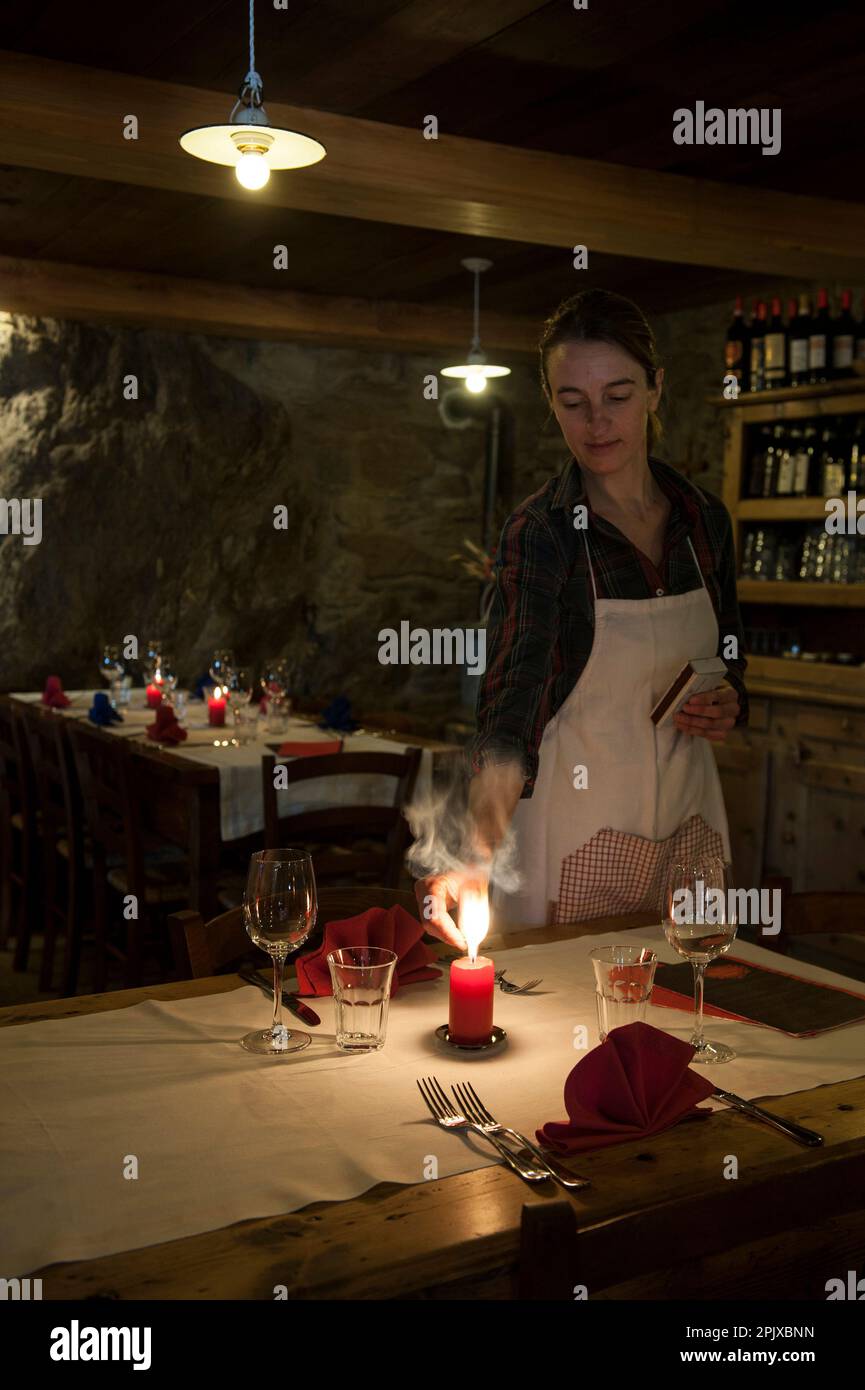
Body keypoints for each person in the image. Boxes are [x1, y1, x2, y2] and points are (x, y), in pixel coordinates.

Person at [417, 288, 748, 949]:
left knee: (687, 1020)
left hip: (687, 833)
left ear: (655, 389)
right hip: (570, 841)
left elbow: (730, 654)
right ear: (551, 404)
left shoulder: (703, 521)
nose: (597, 422)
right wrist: (474, 853)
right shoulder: (542, 533)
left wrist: (730, 700)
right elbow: (511, 707)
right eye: (572, 403)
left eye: (617, 396)